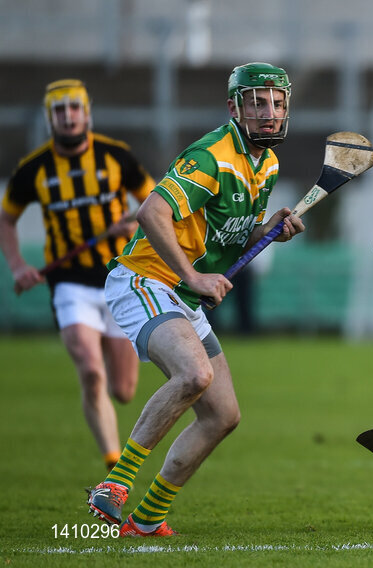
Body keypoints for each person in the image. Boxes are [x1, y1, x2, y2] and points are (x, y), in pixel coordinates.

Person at [86, 62, 305, 537]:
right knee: (195, 374)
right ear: (235, 107)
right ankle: (115, 486)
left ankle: (146, 520)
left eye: (278, 103)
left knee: (223, 415)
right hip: (146, 281)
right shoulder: (212, 156)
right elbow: (151, 212)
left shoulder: (266, 163)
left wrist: (270, 233)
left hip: (183, 295)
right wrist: (195, 277)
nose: (270, 113)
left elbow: (234, 236)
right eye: (258, 102)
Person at [0, 79, 155, 472]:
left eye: (74, 108)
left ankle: (106, 366)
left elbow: (156, 204)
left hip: (119, 280)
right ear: (49, 117)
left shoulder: (116, 157)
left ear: (86, 113)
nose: (67, 116)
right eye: (59, 110)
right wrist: (18, 264)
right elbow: (7, 218)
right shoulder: (33, 169)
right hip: (69, 284)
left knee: (123, 390)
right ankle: (112, 461)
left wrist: (133, 226)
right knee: (90, 369)